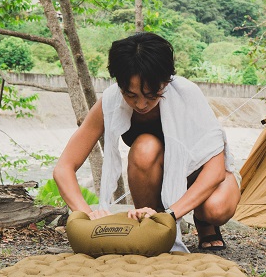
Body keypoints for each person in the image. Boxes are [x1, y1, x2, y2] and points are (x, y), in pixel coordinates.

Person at [53, 32, 239, 251]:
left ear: (165, 81)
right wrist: (87, 213)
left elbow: (215, 170)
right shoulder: (111, 102)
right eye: (131, 96)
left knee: (215, 209)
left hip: (201, 176)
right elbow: (64, 167)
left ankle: (203, 223)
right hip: (157, 174)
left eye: (151, 95)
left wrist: (170, 215)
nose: (141, 104)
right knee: (145, 147)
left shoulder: (187, 94)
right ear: (119, 85)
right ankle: (151, 224)